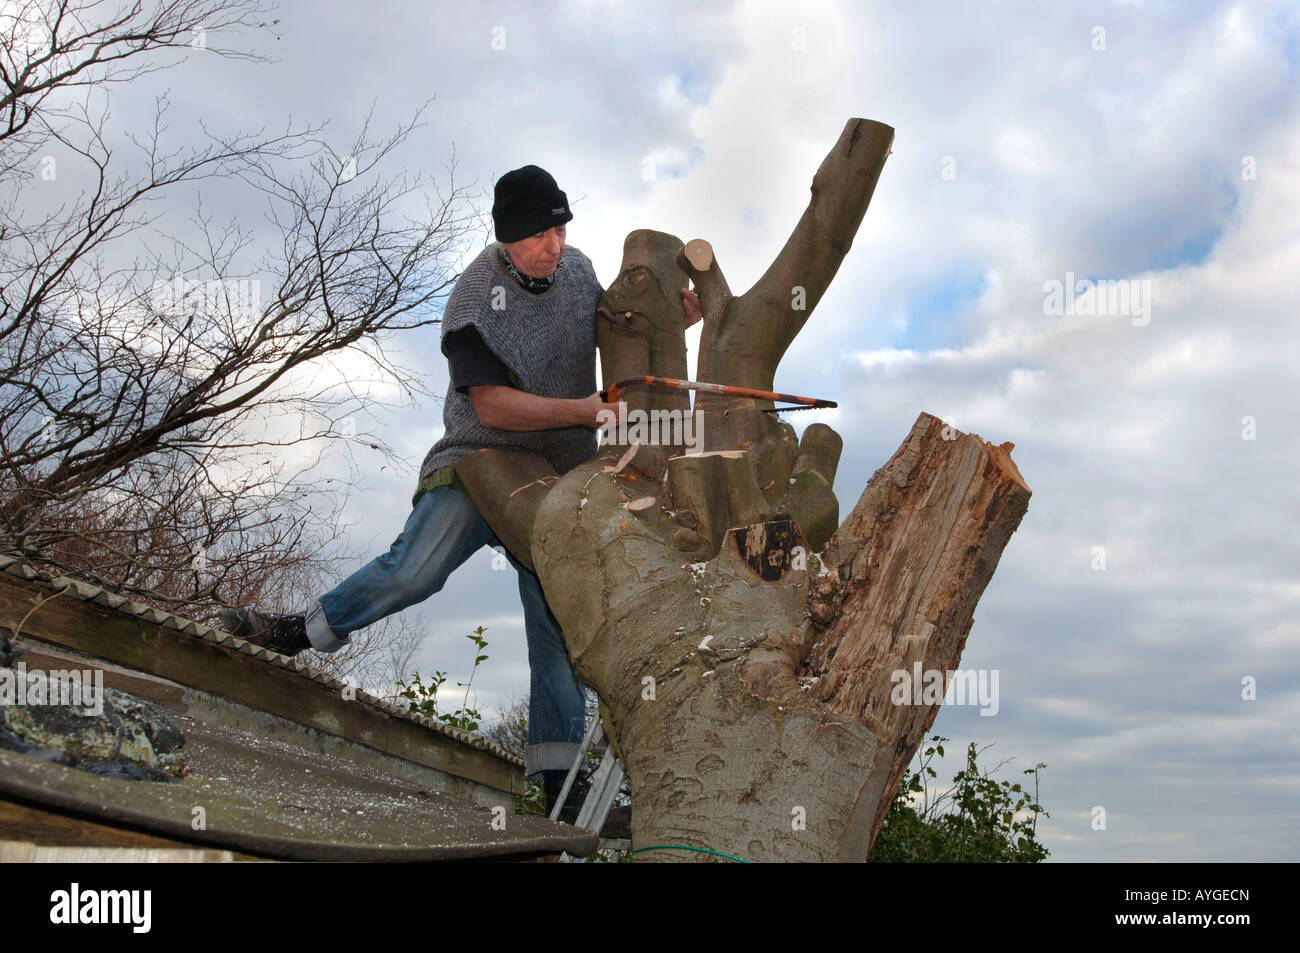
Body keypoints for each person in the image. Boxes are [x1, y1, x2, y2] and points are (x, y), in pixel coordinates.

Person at [223, 164, 700, 819]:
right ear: (506, 237)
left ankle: (560, 783)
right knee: (413, 570)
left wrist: (675, 317)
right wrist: (585, 411)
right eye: (537, 236)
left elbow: (622, 333)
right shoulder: (474, 298)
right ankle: (299, 630)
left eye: (559, 228)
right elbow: (494, 407)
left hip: (557, 482)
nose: (553, 246)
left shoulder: (582, 272)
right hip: (479, 461)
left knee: (556, 622)